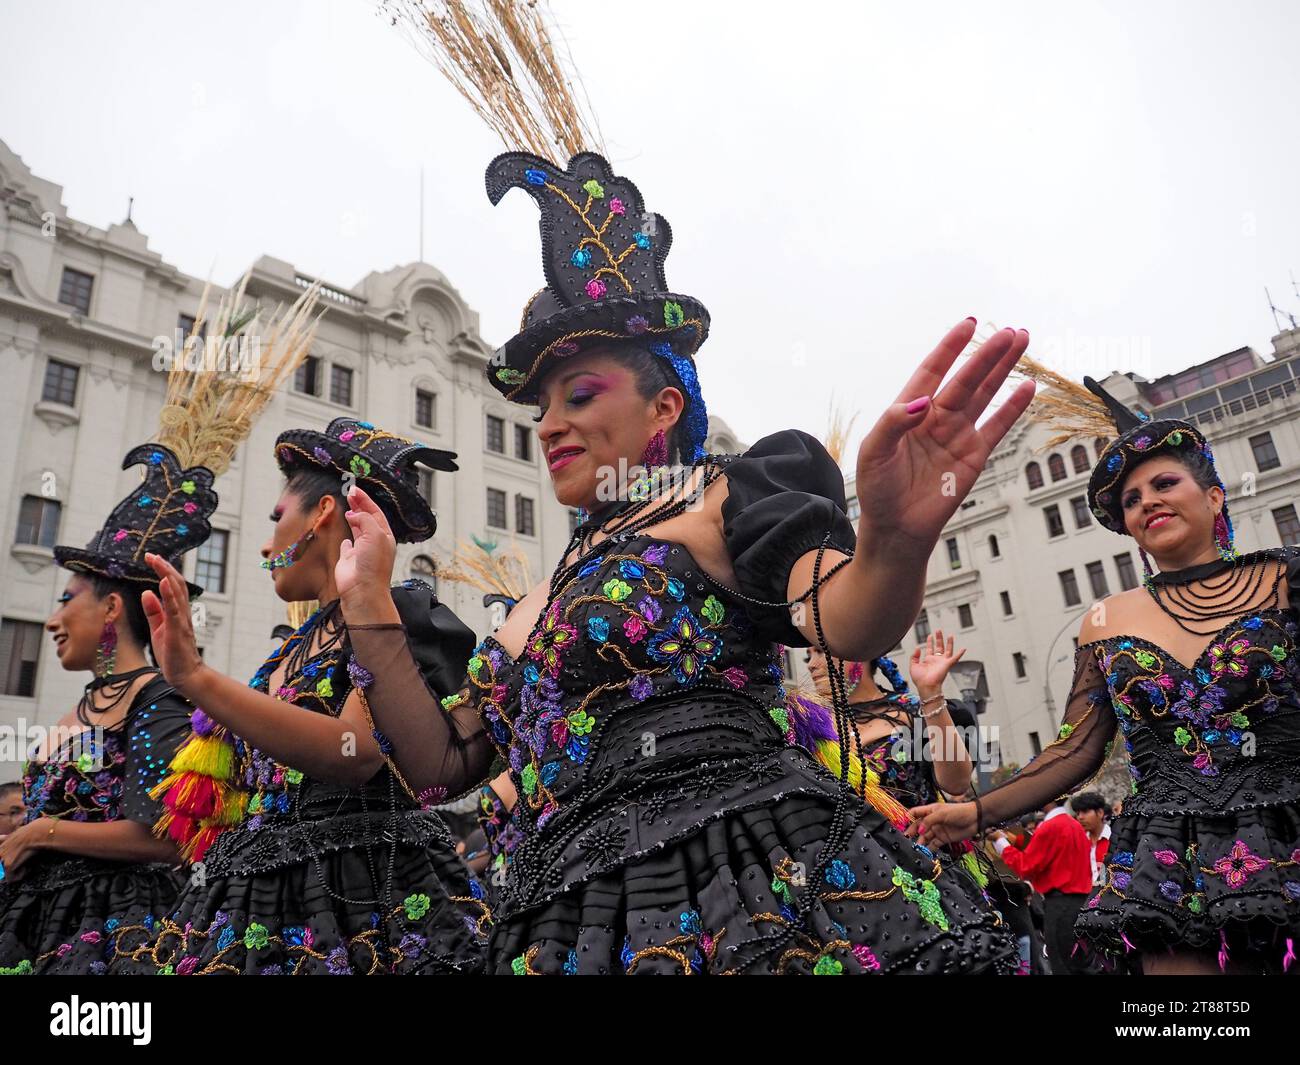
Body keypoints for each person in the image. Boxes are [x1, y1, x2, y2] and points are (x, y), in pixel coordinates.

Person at [342, 149, 1035, 974]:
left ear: (664, 405)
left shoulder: (721, 500)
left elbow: (846, 619)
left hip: (755, 882)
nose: (550, 423)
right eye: (543, 406)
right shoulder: (535, 603)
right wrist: (369, 604)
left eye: (581, 394)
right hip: (582, 917)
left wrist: (895, 534)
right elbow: (438, 765)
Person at [910, 375, 1300, 974]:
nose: (1148, 501)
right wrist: (978, 812)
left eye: (1165, 483)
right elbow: (1074, 750)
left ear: (1215, 496)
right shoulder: (1104, 622)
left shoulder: (1283, 581)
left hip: (1286, 825)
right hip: (1169, 852)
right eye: (1132, 500)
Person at [125, 418, 490, 974]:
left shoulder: (397, 613)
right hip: (255, 898)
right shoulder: (292, 648)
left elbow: (354, 750)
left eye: (277, 519)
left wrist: (195, 677)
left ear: (321, 513)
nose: (267, 542)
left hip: (364, 892)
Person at [0, 445, 214, 973]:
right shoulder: (81, 707)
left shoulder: (158, 700)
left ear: (112, 608)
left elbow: (167, 837)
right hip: (34, 920)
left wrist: (38, 832)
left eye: (67, 599)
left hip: (117, 930)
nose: (53, 621)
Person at [988, 798, 1093, 974]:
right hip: (1080, 903)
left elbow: (1025, 866)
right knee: (1079, 964)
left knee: (1062, 964)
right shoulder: (1073, 825)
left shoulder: (1050, 826)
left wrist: (1000, 841)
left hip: (1060, 906)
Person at [1070, 791, 1111, 888]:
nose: (1080, 817)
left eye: (1085, 811)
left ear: (1100, 813)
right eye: (1078, 813)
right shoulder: (1077, 841)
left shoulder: (1114, 838)